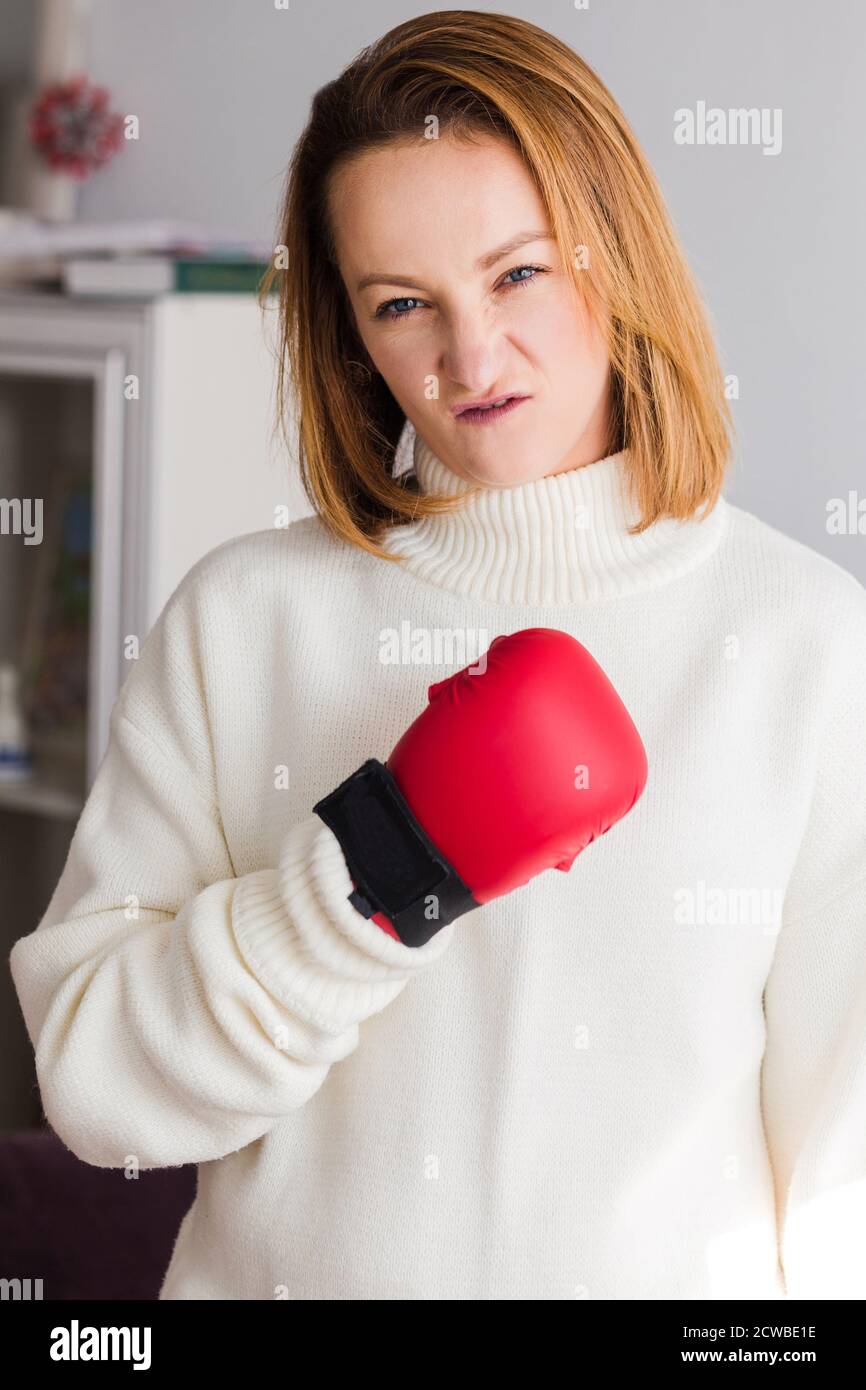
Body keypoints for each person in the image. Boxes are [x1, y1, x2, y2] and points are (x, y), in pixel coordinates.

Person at [9, 10, 866, 1301]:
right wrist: (375, 868)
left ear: (613, 255)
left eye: (517, 273)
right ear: (351, 334)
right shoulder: (245, 618)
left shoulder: (801, 637)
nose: (470, 357)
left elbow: (839, 1165)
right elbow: (102, 1099)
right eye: (403, 303)